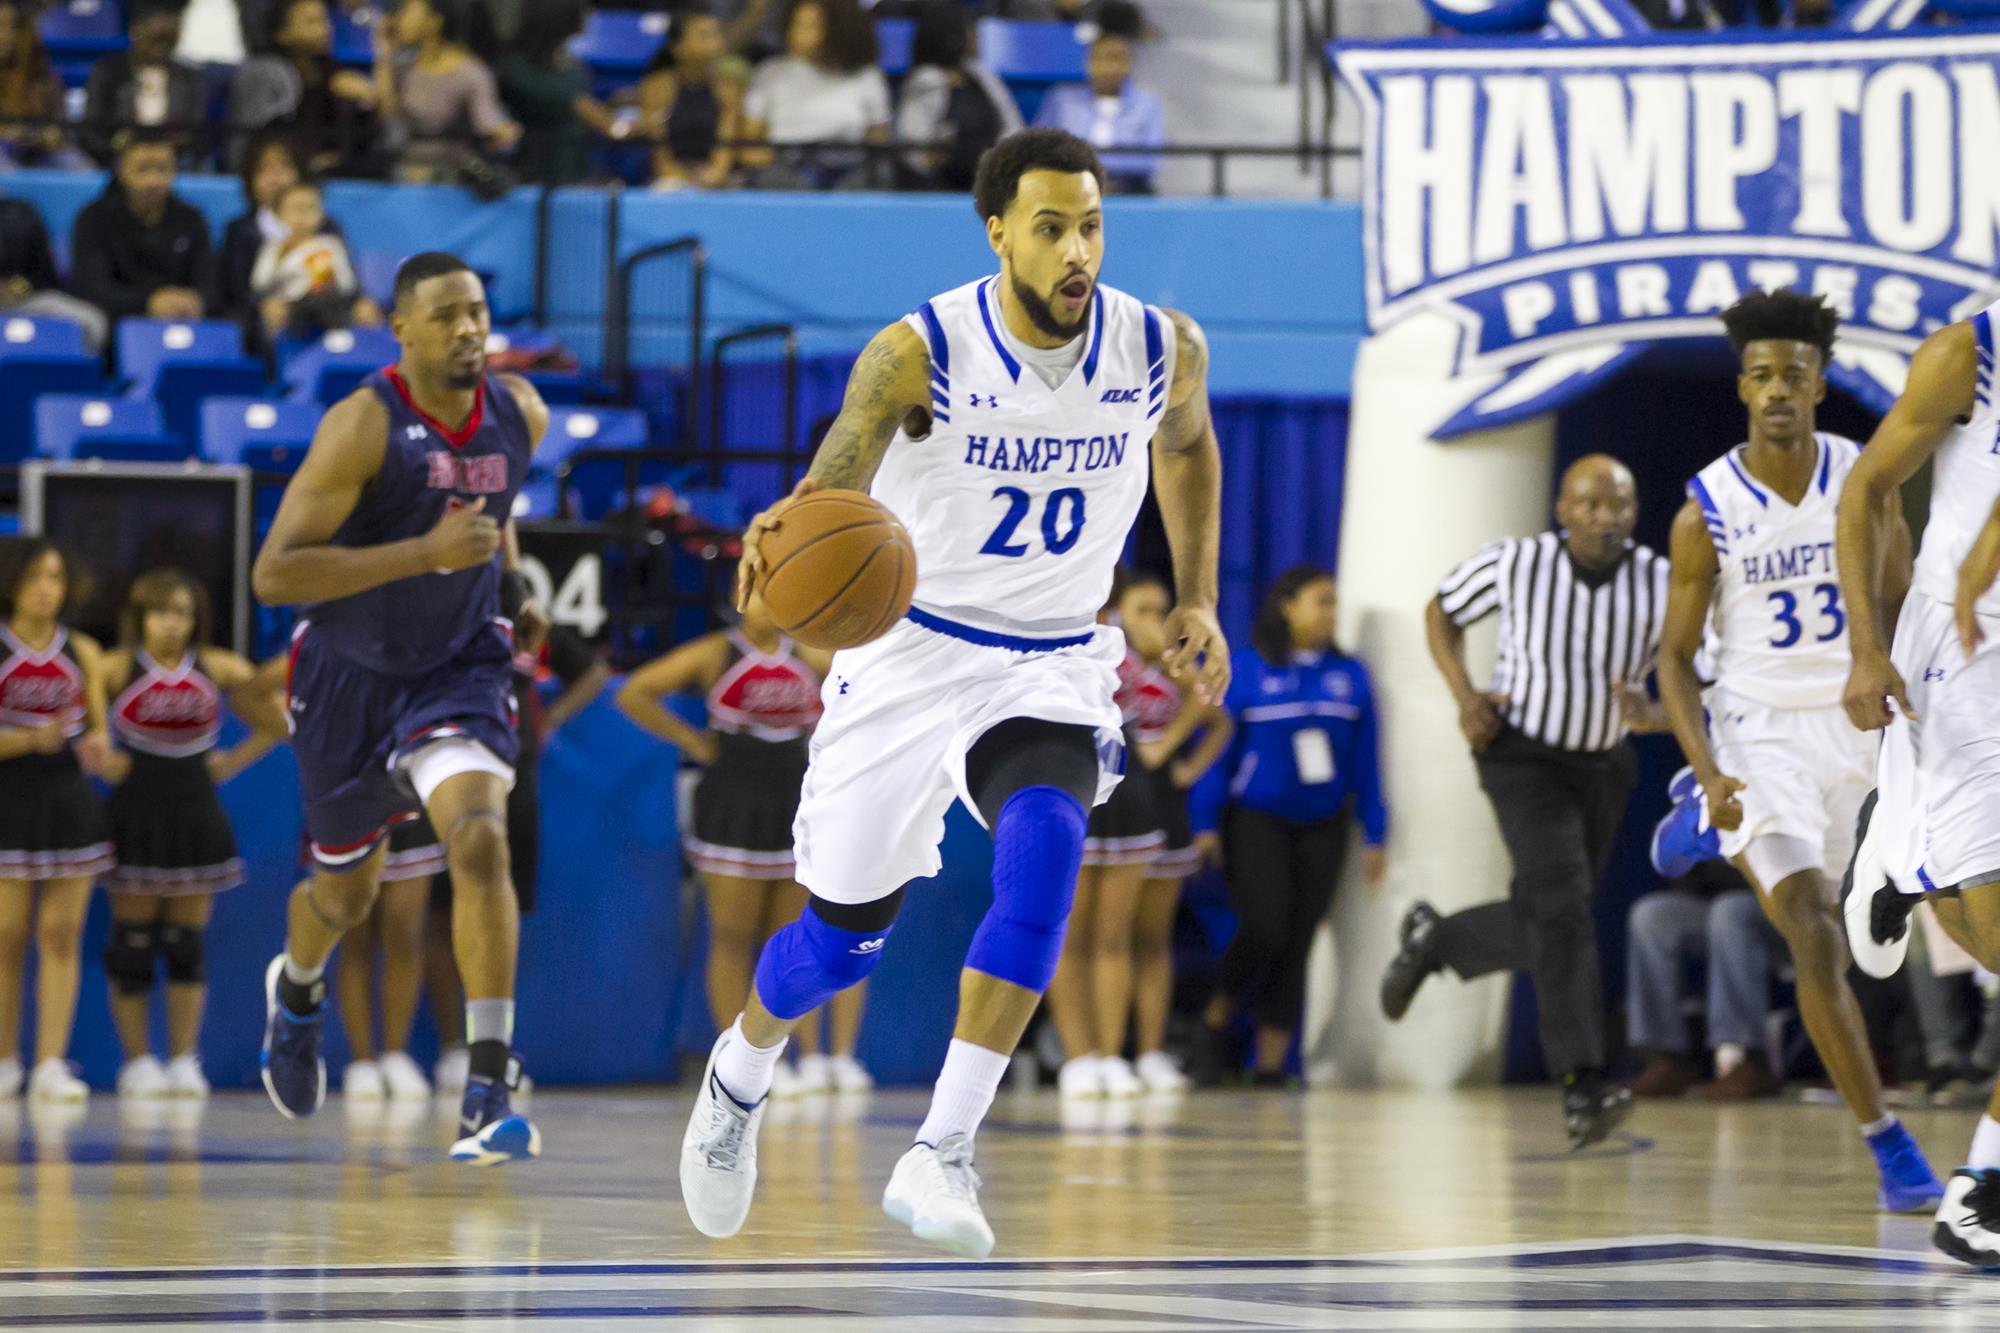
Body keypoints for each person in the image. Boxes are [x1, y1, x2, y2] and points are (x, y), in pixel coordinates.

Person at [678, 127, 1227, 1258]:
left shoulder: (1158, 345)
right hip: (909, 654)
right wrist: (785, 549)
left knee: (1044, 847)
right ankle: (739, 1073)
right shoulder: (915, 350)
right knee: (837, 945)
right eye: (1049, 227)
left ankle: (942, 1146)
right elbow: (835, 475)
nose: (1077, 250)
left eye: (1090, 225)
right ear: (996, 232)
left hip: (1050, 657)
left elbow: (1188, 446)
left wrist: (1198, 595)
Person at [251, 251, 550, 1165]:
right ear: (404, 329)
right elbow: (276, 573)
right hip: (346, 677)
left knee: (481, 838)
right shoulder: (361, 426)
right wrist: (423, 555)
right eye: (448, 315)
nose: (468, 328)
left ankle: (487, 1080)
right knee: (346, 893)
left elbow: (491, 517)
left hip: (455, 668)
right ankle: (297, 993)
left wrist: (508, 586)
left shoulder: (519, 413)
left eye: (478, 311)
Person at [1650, 289, 1942, 1209]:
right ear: (1743, 388)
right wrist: (1709, 764)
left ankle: (1698, 819)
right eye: (1764, 375)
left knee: (1886, 925)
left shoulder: (1866, 478)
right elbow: (1672, 654)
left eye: (1797, 376)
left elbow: (1899, 603)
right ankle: (1887, 1141)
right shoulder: (1707, 509)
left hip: (1857, 723)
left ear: (1820, 387)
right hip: (1757, 729)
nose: (1779, 389)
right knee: (1812, 929)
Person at [1377, 456, 1670, 1149]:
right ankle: (1583, 1086)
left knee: (1554, 916)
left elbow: (1698, 666)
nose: (1606, 517)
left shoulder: (1660, 580)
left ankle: (1437, 940)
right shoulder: (1515, 562)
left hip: (1604, 763)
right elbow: (1440, 612)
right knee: (1564, 908)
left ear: (1634, 512)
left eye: (1620, 505)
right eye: (1591, 504)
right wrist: (1465, 694)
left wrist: (1653, 712)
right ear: (1561, 508)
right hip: (1522, 756)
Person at [1835, 291, 2000, 1268]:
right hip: (1960, 658)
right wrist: (1866, 646)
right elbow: (1865, 490)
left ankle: (1895, 848)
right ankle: (1977, 1190)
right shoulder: (1965, 353)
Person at [617, 593, 871, 1095]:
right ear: (740, 599)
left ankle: (803, 1054)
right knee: (733, 936)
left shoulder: (813, 656)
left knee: (792, 939)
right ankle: (743, 1060)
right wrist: (692, 742)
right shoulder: (715, 653)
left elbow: (868, 688)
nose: (769, 604)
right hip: (731, 799)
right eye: (760, 593)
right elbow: (635, 692)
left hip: (795, 797)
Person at [1187, 566, 1386, 1088]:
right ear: (1287, 606)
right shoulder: (1249, 670)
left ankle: (1270, 1063)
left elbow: (1367, 761)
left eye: (1335, 604)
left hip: (1324, 823)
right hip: (1257, 820)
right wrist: (1204, 820)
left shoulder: (1352, 675)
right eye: (1321, 601)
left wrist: (1376, 830)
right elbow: (1220, 751)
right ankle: (1213, 1024)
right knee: (1265, 927)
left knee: (1298, 942)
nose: (1331, 613)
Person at [100, 569, 285, 1100]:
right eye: (160, 612)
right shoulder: (115, 668)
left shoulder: (218, 665)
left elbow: (275, 721)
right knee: (132, 947)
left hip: (196, 812)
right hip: (135, 814)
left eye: (181, 612)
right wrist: (102, 757)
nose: (171, 623)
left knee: (186, 946)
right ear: (139, 617)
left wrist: (231, 762)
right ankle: (136, 1063)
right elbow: (81, 724)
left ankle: (184, 1059)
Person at [427, 623, 606, 1096]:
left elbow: (593, 671)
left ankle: (490, 1047)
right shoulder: (435, 610)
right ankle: (453, 1048)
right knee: (441, 913)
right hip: (444, 772)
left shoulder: (524, 619)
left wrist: (553, 716)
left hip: (513, 775)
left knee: (496, 908)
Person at [0, 540, 114, 1104]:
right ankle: (4, 1060)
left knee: (61, 934)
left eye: (57, 576)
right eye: (36, 576)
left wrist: (100, 750)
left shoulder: (84, 650)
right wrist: (27, 740)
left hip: (68, 802)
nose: (48, 587)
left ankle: (49, 1062)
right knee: (6, 937)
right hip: (8, 801)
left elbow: (99, 733)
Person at [1045, 576, 1164, 1100]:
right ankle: (1078, 1059)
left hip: (1125, 785)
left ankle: (1113, 1057)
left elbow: (1193, 699)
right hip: (1060, 779)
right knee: (1067, 935)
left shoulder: (1129, 638)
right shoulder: (1038, 627)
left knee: (1113, 936)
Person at [1124, 570, 1230, 1093]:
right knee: (1108, 937)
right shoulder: (1106, 662)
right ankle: (1103, 1052)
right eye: (1142, 610)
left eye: (1161, 611)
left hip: (1163, 802)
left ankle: (1149, 1051)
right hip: (1115, 802)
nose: (1154, 621)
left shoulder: (1174, 666)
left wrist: (1179, 761)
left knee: (1152, 938)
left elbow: (1217, 717)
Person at [1625, 859, 1783, 1100]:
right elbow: (1683, 874)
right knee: (1651, 916)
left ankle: (1747, 1060)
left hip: (1784, 908)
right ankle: (1665, 1060)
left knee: (1730, 911)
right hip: (1723, 905)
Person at [335, 818, 439, 1101]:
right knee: (355, 934)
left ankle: (396, 1054)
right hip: (349, 802)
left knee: (406, 931)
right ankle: (361, 1061)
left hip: (409, 803)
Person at [739, 0, 889, 189]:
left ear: (839, 29)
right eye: (797, 25)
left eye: (811, 26)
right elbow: (749, 145)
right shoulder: (770, 72)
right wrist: (779, 162)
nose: (799, 35)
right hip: (787, 166)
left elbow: (878, 142)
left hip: (848, 167)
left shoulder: (866, 76)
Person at [69, 129, 214, 325]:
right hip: (117, 323)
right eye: (143, 169)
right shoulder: (94, 218)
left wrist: (195, 300)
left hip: (183, 320)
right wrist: (149, 302)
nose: (153, 181)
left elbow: (210, 283)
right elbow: (92, 289)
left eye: (162, 169)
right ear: (121, 170)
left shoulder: (191, 219)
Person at [228, 0, 385, 178]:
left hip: (330, 170)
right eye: (311, 22)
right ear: (283, 33)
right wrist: (306, 160)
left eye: (324, 21)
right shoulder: (265, 72)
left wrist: (365, 101)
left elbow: (361, 133)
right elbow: (263, 138)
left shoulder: (334, 72)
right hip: (277, 171)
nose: (324, 29)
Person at [373, 0, 521, 185]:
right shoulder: (402, 68)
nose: (398, 19)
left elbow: (490, 125)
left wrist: (503, 134)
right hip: (405, 174)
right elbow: (388, 112)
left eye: (407, 12)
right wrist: (383, 54)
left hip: (451, 178)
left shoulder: (468, 72)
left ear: (434, 22)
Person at [894, 1, 1021, 192]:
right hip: (940, 187)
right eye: (969, 29)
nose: (975, 36)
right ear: (951, 35)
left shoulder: (981, 75)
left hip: (990, 179)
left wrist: (1000, 162)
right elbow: (913, 150)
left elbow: (1012, 124)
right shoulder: (926, 80)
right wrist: (940, 156)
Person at [497, 0, 619, 186]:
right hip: (535, 175)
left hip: (577, 171)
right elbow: (582, 109)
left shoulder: (575, 66)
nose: (589, 16)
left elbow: (582, 111)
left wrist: (616, 103)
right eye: (583, 11)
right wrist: (629, 127)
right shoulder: (517, 68)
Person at [1031, 29, 1163, 195]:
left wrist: (1103, 176)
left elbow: (1150, 160)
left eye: (1115, 58)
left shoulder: (1147, 104)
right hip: (1067, 186)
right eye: (1098, 58)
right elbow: (1038, 148)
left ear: (1128, 64)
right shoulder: (1061, 99)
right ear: (1087, 63)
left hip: (1126, 189)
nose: (1107, 67)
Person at [249, 180, 380, 341]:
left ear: (321, 214)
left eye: (310, 208)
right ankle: (282, 359)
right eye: (296, 209)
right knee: (272, 312)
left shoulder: (330, 245)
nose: (302, 216)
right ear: (279, 215)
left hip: (326, 304)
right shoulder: (272, 249)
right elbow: (259, 284)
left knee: (354, 308)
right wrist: (280, 258)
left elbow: (348, 285)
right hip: (287, 307)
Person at [80, 2, 208, 166]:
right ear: (136, 32)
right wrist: (116, 146)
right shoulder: (108, 72)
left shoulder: (190, 77)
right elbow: (93, 129)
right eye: (155, 40)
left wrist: (173, 145)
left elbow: (197, 133)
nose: (161, 49)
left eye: (168, 42)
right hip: (116, 156)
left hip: (175, 158)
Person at [633, 7, 745, 192]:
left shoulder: (729, 89)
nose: (714, 42)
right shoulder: (656, 87)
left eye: (716, 33)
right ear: (677, 47)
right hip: (670, 179)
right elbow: (660, 158)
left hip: (715, 180)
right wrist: (682, 179)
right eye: (704, 35)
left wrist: (715, 175)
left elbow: (724, 150)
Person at [0, 194, 109, 353]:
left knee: (92, 322)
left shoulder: (22, 214)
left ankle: (80, 375)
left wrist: (22, 285)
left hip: (23, 301)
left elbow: (45, 273)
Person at [0, 1, 71, 168]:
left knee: (76, 164)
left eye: (12, 27)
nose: (5, 35)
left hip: (38, 151)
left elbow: (61, 129)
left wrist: (45, 136)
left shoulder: (42, 78)